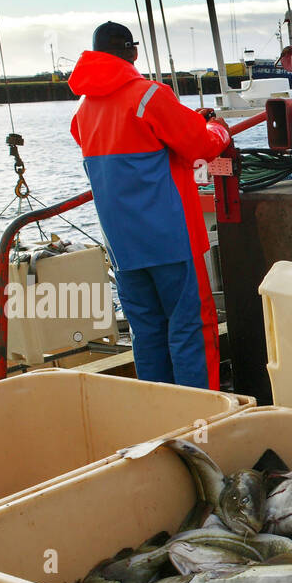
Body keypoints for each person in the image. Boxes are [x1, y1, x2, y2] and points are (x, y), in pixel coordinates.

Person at [69, 22, 231, 389]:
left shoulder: (83, 109)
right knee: (191, 329)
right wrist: (218, 128)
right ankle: (200, 420)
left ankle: (160, 412)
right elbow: (200, 146)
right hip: (171, 240)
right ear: (132, 52)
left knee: (148, 334)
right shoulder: (148, 95)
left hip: (124, 249)